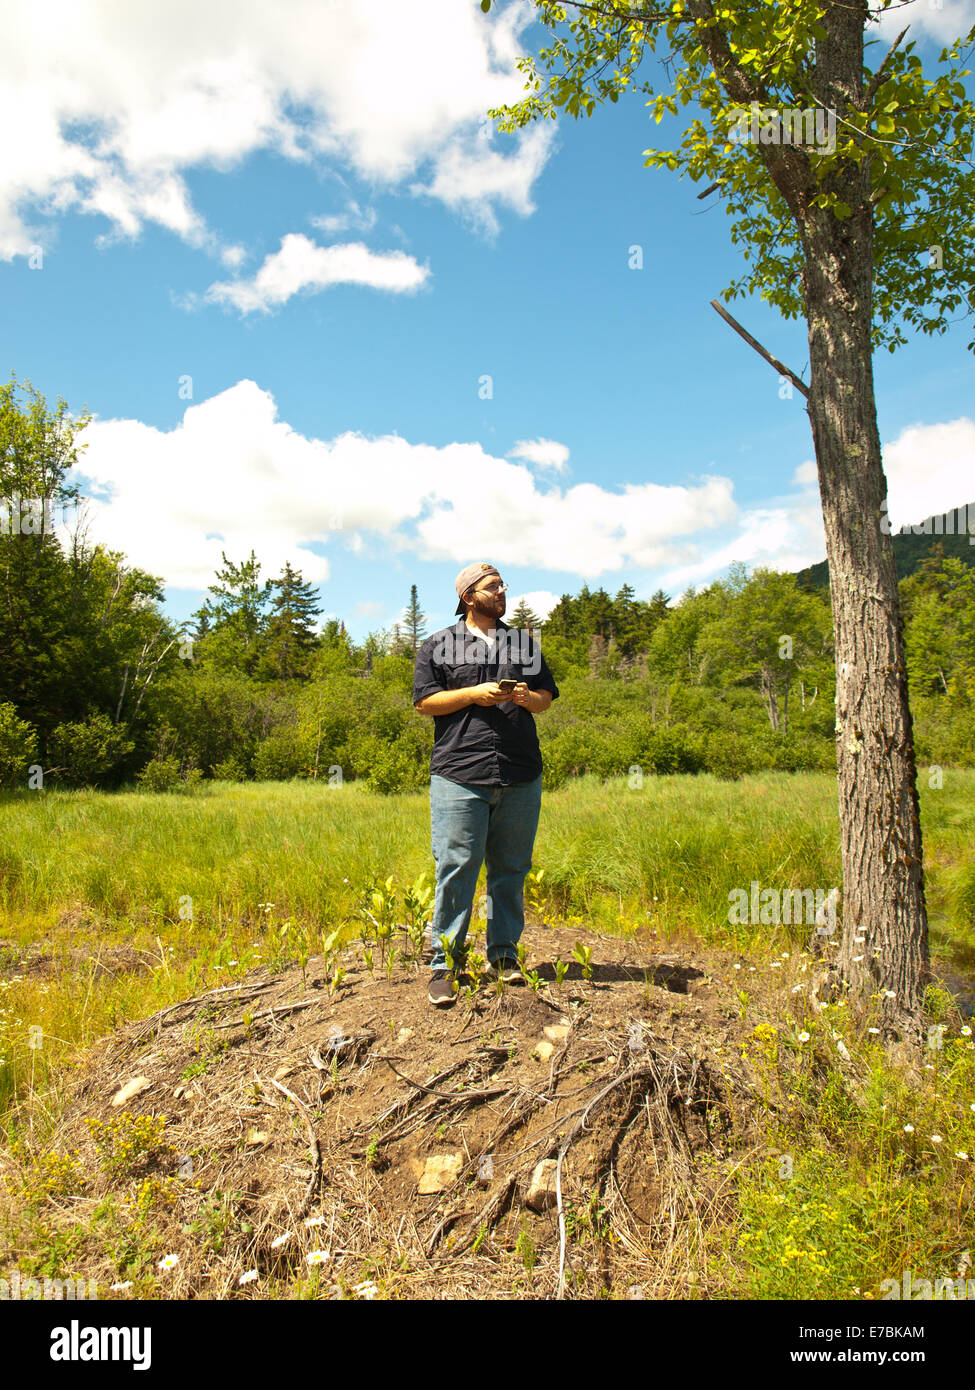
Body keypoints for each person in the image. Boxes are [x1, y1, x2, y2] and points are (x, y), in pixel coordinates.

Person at [412, 563, 560, 1007]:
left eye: (502, 586)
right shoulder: (437, 645)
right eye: (492, 587)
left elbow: (545, 699)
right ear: (468, 596)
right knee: (457, 866)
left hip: (520, 772)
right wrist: (474, 694)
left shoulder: (523, 644)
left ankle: (503, 956)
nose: (501, 592)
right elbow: (424, 702)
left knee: (511, 869)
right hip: (460, 772)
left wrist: (523, 697)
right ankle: (444, 962)